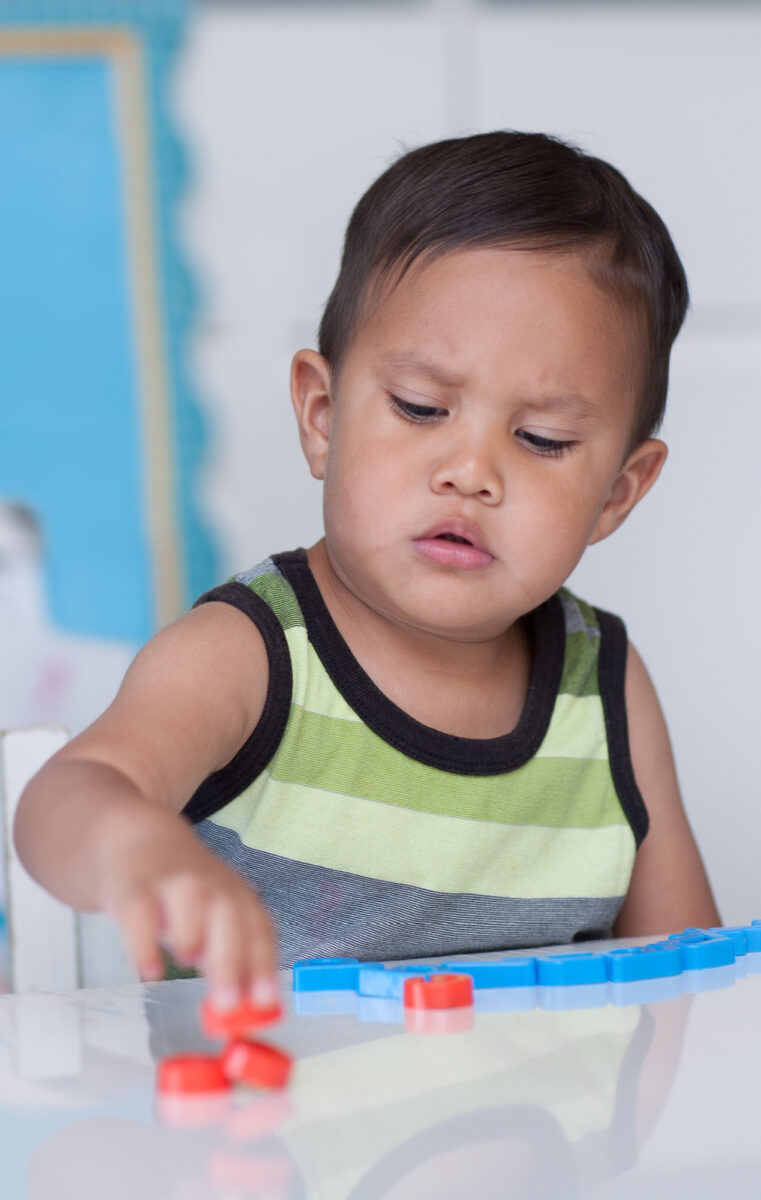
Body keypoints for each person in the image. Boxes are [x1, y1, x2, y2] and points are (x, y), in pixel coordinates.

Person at [14, 131, 719, 1013]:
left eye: (541, 439)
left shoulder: (603, 690)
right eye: (421, 409)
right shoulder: (251, 656)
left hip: (548, 1141)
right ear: (320, 413)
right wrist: (128, 842)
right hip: (262, 1137)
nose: (470, 471)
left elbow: (695, 991)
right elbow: (66, 797)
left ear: (617, 492)